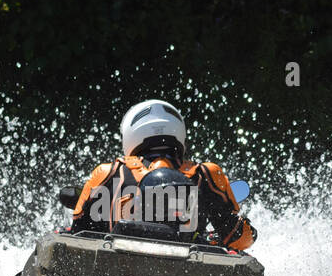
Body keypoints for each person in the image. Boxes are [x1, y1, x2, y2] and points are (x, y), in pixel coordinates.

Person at [71, 99, 256, 250]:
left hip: (118, 274)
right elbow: (240, 239)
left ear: (130, 133)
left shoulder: (107, 172)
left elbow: (78, 234)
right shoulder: (205, 174)